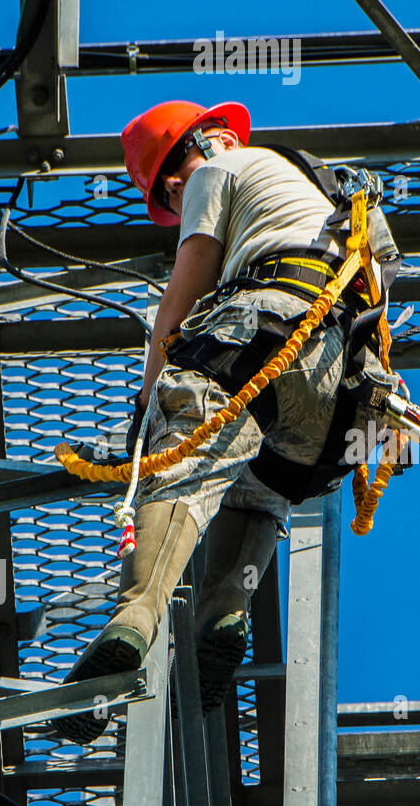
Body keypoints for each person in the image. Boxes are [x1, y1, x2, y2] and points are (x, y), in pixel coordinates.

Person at [55, 100, 400, 742]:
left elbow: (183, 294)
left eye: (169, 181)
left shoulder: (222, 170)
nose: (176, 192)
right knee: (256, 485)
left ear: (194, 152)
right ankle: (223, 611)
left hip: (267, 331)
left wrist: (149, 398)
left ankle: (135, 617)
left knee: (187, 445)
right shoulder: (330, 200)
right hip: (345, 402)